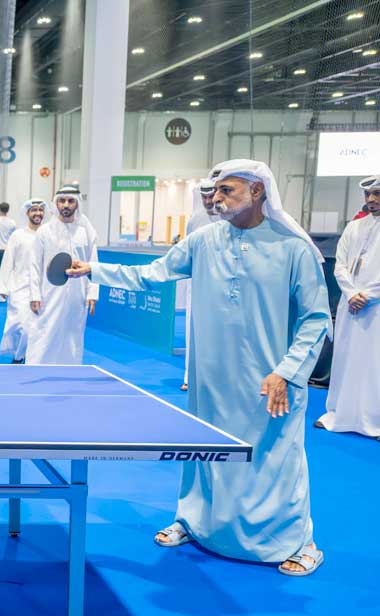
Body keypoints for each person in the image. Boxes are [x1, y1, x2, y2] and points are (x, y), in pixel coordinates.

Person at [67, 159, 330, 576]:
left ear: (258, 191)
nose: (217, 198)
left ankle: (300, 541)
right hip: (211, 377)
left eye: (227, 190)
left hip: (271, 380)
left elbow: (316, 320)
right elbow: (152, 275)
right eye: (215, 191)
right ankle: (195, 520)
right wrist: (94, 270)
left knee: (277, 459)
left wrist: (288, 371)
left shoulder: (292, 248)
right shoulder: (203, 241)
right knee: (204, 449)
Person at [316, 175, 380, 440]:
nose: (372, 199)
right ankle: (339, 412)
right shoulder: (354, 228)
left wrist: (368, 295)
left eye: (377, 194)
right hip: (350, 306)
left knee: (373, 363)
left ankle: (374, 418)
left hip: (375, 308)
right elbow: (340, 265)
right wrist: (352, 293)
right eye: (368, 195)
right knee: (344, 358)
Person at [26, 185, 99, 365]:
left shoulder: (85, 231)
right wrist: (34, 294)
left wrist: (92, 293)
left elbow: (93, 263)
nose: (66, 205)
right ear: (55, 203)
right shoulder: (45, 231)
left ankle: (70, 372)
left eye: (70, 201)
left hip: (78, 296)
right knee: (44, 333)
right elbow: (34, 265)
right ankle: (35, 370)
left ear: (77, 204)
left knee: (73, 335)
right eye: (61, 200)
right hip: (48, 294)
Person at [0, 199, 49, 363]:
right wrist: (2, 288)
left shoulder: (48, 235)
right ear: (27, 213)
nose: (37, 213)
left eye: (40, 210)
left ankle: (23, 358)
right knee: (20, 325)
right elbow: (7, 262)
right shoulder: (17, 235)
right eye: (34, 210)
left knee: (35, 328)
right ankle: (19, 355)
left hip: (42, 289)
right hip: (19, 289)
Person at [181, 179, 219, 390]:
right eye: (203, 196)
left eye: (210, 196)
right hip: (196, 282)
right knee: (192, 329)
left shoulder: (228, 218)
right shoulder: (194, 221)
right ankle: (190, 376)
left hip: (222, 285)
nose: (207, 200)